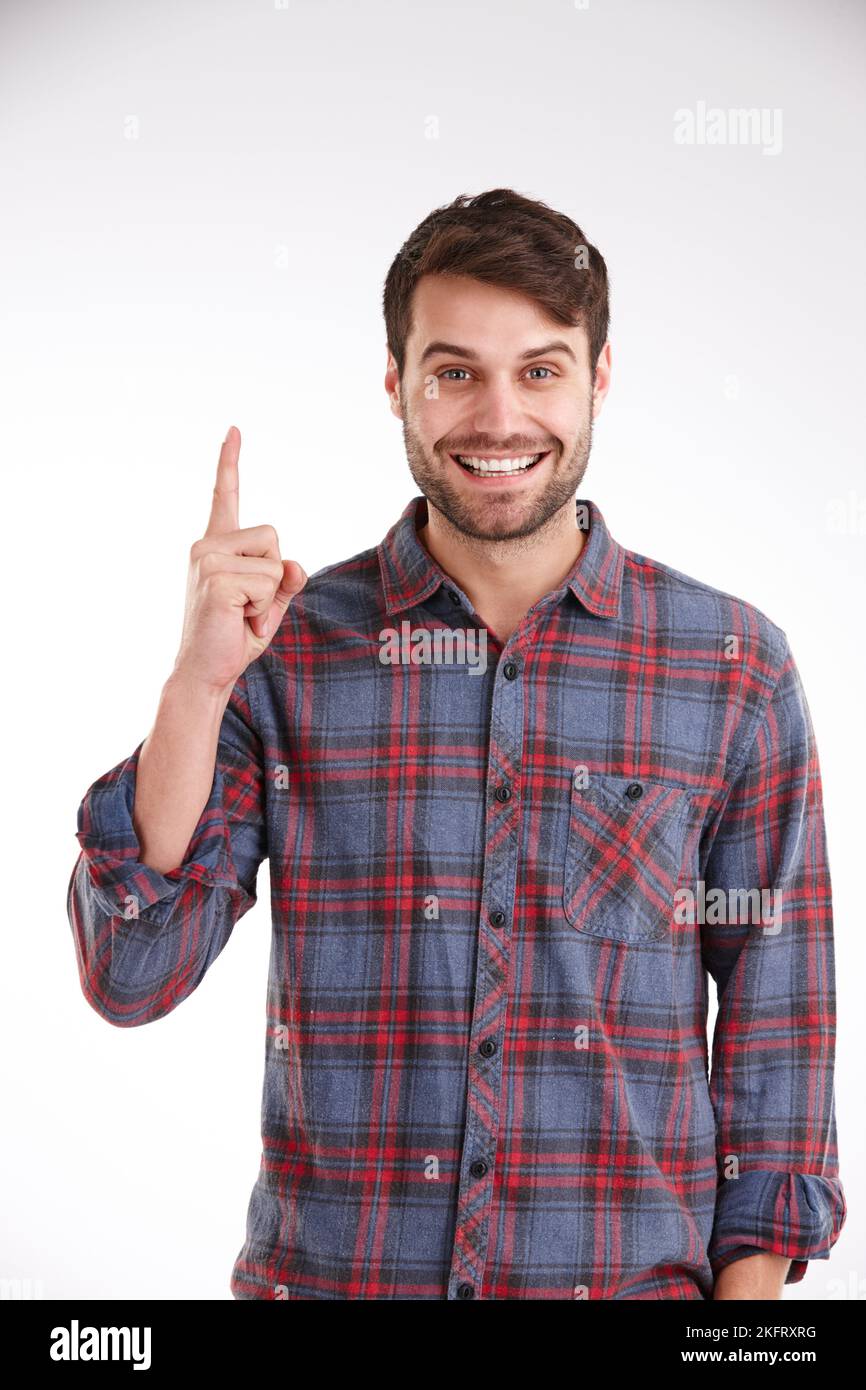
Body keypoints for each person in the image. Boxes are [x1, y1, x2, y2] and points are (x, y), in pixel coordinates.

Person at [67, 188, 846, 1300]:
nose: (496, 418)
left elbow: (777, 1045)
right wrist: (195, 685)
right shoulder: (282, 655)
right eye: (453, 372)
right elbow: (129, 972)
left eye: (538, 369)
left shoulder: (732, 669)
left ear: (598, 377)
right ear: (395, 385)